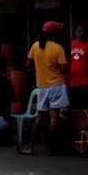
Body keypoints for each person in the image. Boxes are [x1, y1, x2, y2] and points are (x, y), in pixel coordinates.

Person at [22, 20, 70, 155]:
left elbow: (27, 64)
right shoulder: (58, 48)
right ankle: (52, 148)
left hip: (42, 86)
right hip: (56, 86)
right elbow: (64, 69)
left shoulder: (35, 46)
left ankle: (31, 146)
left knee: (39, 117)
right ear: (55, 34)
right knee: (54, 117)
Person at [69, 24, 88, 109]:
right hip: (74, 83)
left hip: (87, 83)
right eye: (80, 31)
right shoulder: (72, 44)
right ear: (75, 32)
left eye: (84, 31)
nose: (82, 33)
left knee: (86, 109)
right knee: (74, 109)